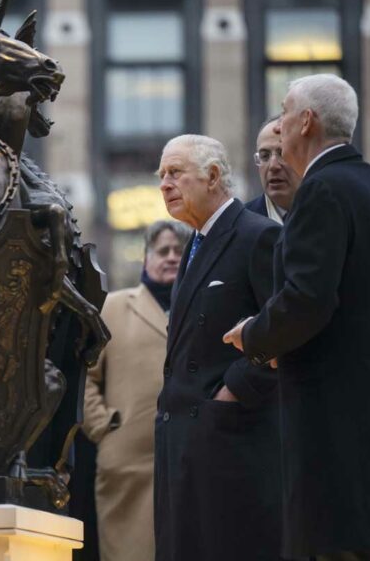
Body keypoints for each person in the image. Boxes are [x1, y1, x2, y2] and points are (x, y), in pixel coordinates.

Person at [224, 74, 370, 561]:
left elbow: (308, 300)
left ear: (306, 121)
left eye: (285, 112)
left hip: (335, 430)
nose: (280, 124)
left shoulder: (322, 190)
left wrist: (254, 336)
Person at [154, 134, 282, 561]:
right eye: (161, 176)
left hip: (233, 442)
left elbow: (284, 331)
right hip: (184, 441)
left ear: (212, 176)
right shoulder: (195, 241)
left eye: (175, 172)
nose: (164, 184)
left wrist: (230, 393)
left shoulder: (259, 236)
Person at [83, 220, 189, 561]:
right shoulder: (114, 306)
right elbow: (87, 375)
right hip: (128, 464)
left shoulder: (200, 308)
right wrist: (104, 425)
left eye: (179, 251)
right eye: (163, 251)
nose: (172, 257)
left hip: (191, 458)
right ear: (146, 259)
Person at [245, 116, 300, 224]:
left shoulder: (329, 214)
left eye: (283, 154)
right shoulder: (240, 223)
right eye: (264, 156)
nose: (273, 166)